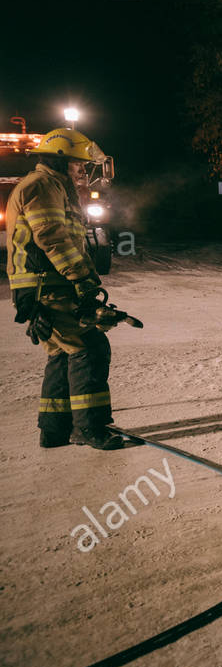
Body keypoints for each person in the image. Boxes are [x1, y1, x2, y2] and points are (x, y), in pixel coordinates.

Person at [6, 128, 127, 449]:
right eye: (78, 165)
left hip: (47, 285)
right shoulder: (43, 187)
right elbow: (53, 239)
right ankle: (89, 428)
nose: (82, 171)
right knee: (89, 347)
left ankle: (54, 429)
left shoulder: (51, 186)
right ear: (60, 161)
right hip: (50, 286)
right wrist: (84, 282)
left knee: (62, 353)